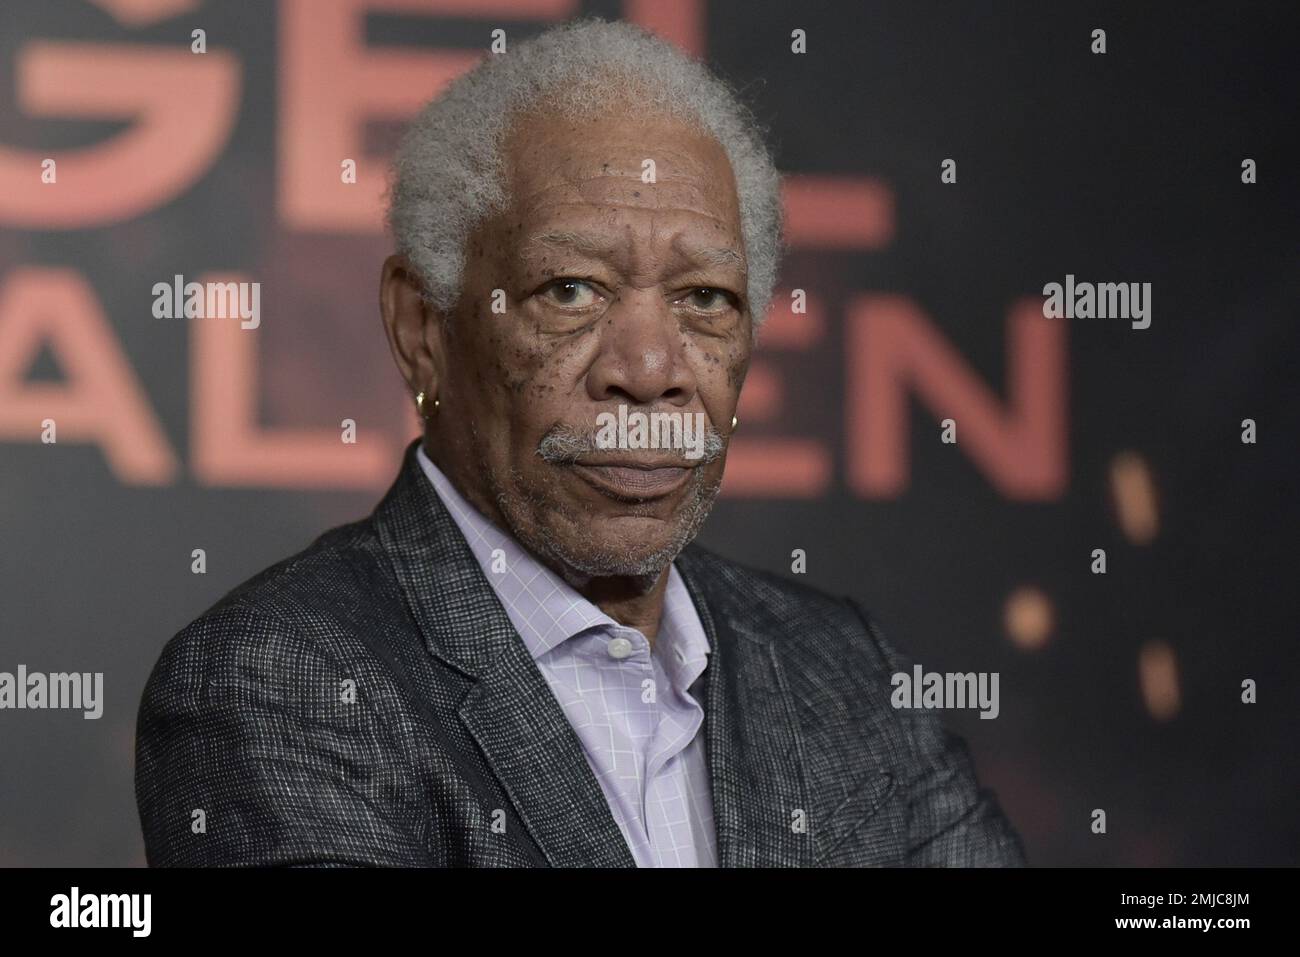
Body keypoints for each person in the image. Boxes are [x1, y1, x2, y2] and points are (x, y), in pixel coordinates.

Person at [135, 17, 1024, 868]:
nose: (648, 369)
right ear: (423, 327)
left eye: (704, 297)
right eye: (570, 289)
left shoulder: (846, 672)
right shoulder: (280, 681)